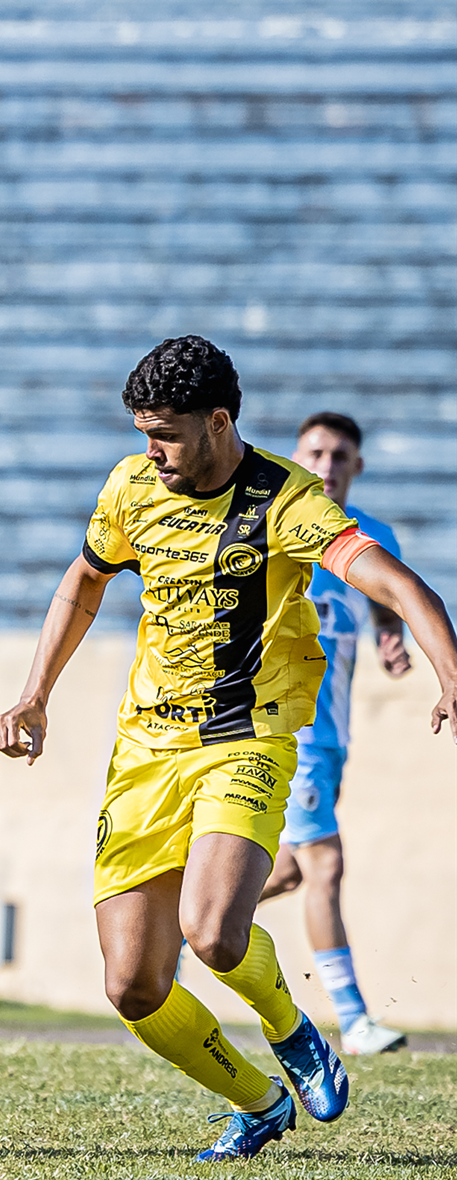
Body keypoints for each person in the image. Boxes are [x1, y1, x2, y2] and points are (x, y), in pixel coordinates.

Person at [0, 337, 457, 1160]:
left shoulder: (287, 500)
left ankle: (293, 1029)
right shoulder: (132, 485)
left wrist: (448, 671)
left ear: (217, 423)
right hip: (145, 748)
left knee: (212, 932)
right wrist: (35, 693)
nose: (151, 453)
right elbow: (84, 580)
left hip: (247, 739)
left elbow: (398, 583)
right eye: (142, 433)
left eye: (165, 434)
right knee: (132, 985)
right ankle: (257, 1103)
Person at [257, 413, 410, 1054]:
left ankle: (179, 928)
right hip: (295, 731)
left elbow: (385, 600)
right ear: (296, 456)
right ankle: (353, 1021)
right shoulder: (275, 526)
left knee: (288, 870)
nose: (327, 463)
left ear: (357, 467)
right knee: (325, 865)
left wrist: (389, 636)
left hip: (334, 736)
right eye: (315, 451)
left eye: (340, 455)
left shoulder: (372, 537)